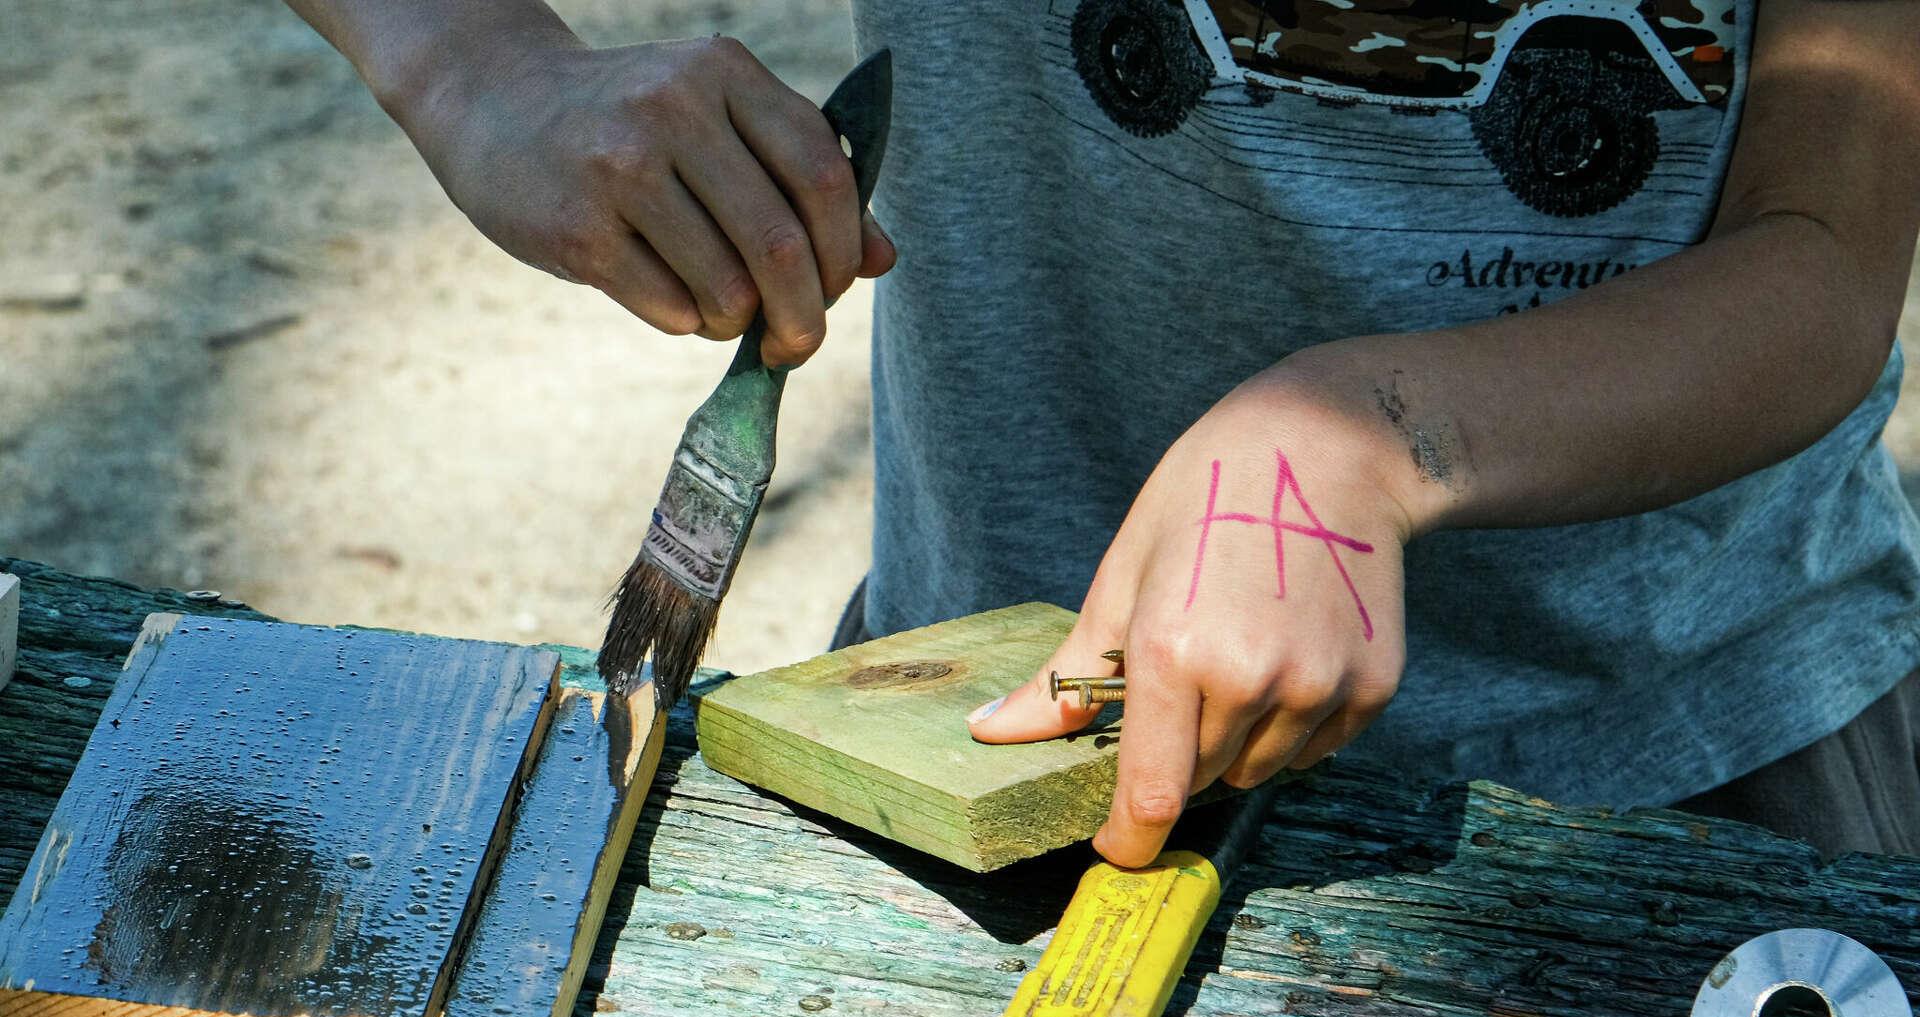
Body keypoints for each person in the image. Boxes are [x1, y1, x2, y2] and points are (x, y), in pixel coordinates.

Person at [289, 0, 1920, 859]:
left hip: (1695, 744)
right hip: (1003, 723)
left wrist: (1374, 430)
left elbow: (1828, 258)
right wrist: (467, 59)